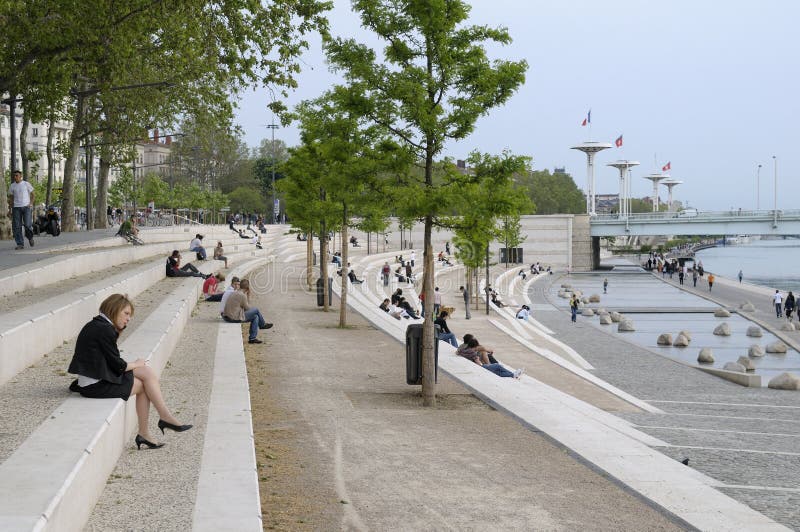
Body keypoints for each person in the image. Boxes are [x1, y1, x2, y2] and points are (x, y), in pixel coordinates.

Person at [67, 294, 192, 450]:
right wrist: (136, 364)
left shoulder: (98, 324)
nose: (128, 319)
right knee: (143, 385)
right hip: (94, 386)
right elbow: (118, 366)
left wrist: (136, 365)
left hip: (95, 378)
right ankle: (151, 427)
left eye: (130, 316)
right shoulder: (104, 329)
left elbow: (111, 361)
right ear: (114, 309)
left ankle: (161, 419)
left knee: (145, 372)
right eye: (126, 314)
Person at [222, 278, 273, 344]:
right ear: (247, 288)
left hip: (228, 316)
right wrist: (248, 295)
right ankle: (262, 325)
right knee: (256, 310)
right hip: (233, 318)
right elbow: (248, 309)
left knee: (255, 317)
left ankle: (252, 338)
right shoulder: (242, 295)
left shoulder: (236, 292)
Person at [455, 337, 523, 379]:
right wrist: (481, 362)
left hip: (474, 366)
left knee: (497, 372)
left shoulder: (463, 350)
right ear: (475, 346)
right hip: (479, 367)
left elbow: (457, 352)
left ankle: (513, 375)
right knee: (497, 366)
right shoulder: (472, 352)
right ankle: (513, 374)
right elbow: (479, 364)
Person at [8, 170, 35, 249]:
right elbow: (11, 199)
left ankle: (30, 237)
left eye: (16, 175)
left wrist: (31, 203)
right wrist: (10, 210)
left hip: (26, 207)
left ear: (20, 176)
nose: (15, 177)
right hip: (16, 208)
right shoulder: (12, 186)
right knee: (17, 226)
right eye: (14, 176)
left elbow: (33, 194)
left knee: (27, 225)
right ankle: (20, 244)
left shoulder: (26, 184)